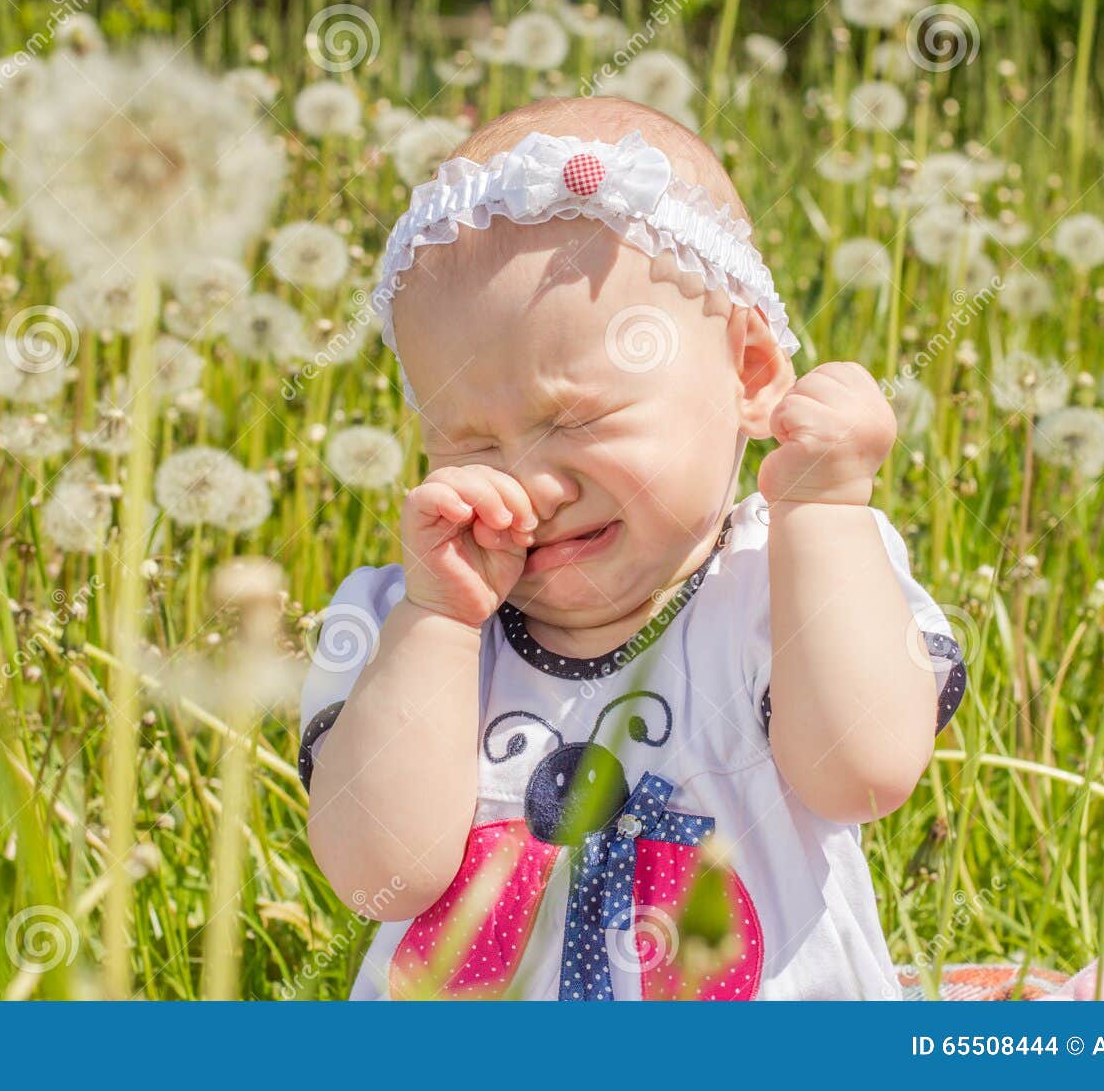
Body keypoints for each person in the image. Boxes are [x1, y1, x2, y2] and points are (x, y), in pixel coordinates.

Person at [297, 95, 967, 1000]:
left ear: (752, 373)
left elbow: (863, 772)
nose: (531, 483)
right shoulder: (412, 623)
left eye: (579, 419)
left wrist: (829, 507)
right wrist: (439, 621)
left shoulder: (781, 586)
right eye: (469, 442)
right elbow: (380, 871)